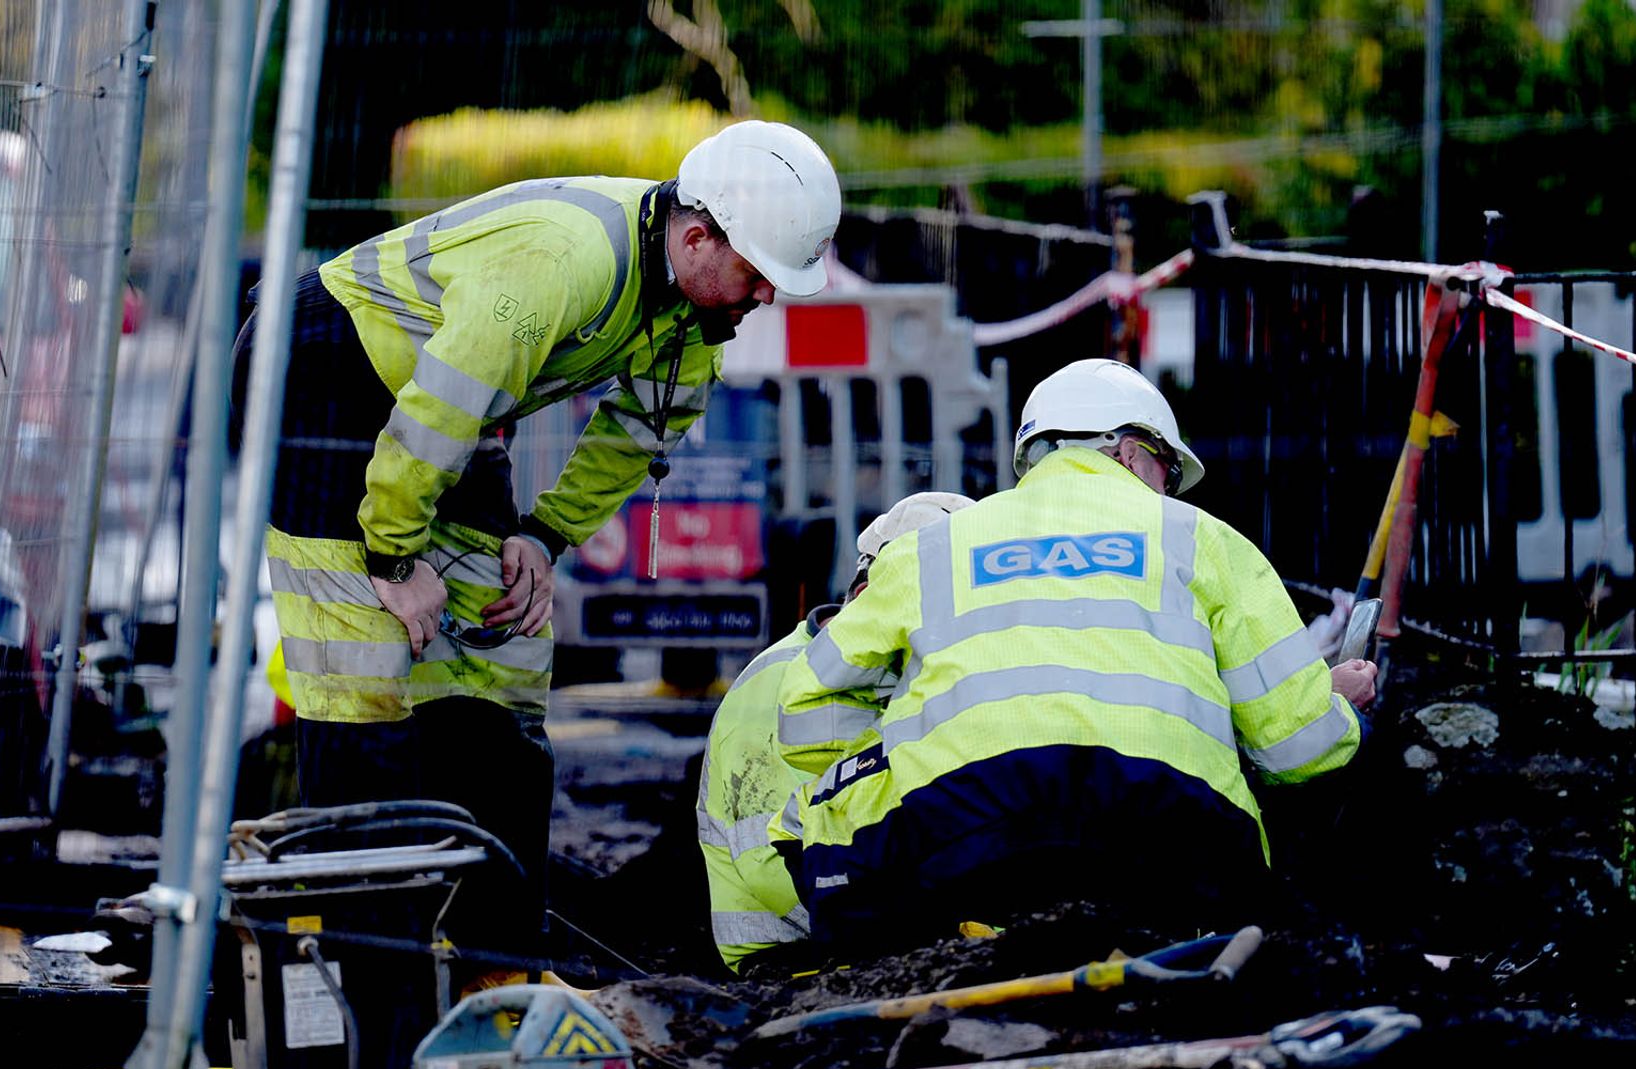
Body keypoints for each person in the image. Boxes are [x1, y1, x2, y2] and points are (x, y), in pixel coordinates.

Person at [239, 121, 843, 969]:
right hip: (322, 383)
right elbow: (438, 411)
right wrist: (392, 561)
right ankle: (369, 987)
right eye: (757, 275)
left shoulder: (692, 302)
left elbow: (640, 429)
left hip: (443, 415)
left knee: (505, 660)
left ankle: (496, 966)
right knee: (362, 682)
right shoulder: (561, 261)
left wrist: (542, 535)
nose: (765, 297)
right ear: (699, 237)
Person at [774, 359, 1378, 950]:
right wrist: (1340, 709)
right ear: (1127, 450)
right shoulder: (1204, 539)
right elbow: (1302, 750)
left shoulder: (930, 549)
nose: (1166, 486)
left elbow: (801, 713)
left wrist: (911, 744)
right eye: (1167, 467)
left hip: (968, 831)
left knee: (814, 818)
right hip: (1177, 838)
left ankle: (869, 963)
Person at [698, 492, 974, 976]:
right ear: (871, 597)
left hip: (871, 945)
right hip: (788, 964)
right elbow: (772, 865)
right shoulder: (779, 683)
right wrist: (934, 925)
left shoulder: (905, 678)